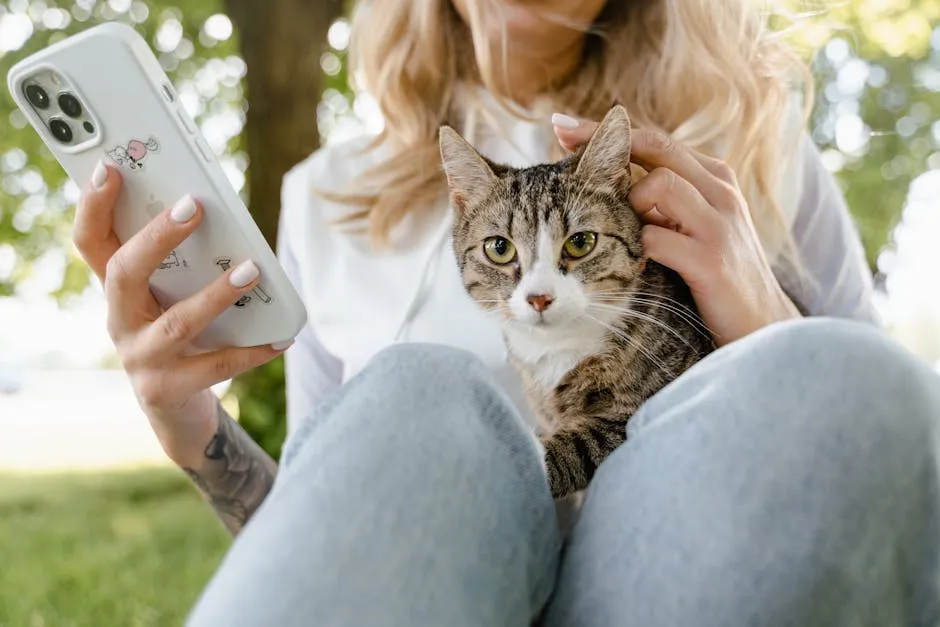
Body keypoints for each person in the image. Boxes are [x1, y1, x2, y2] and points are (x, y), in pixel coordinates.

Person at [73, 1, 940, 625]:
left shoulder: (750, 138)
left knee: (849, 374)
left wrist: (767, 324)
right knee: (420, 389)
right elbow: (325, 529)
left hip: (693, 582)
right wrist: (189, 427)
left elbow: (893, 471)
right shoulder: (323, 200)